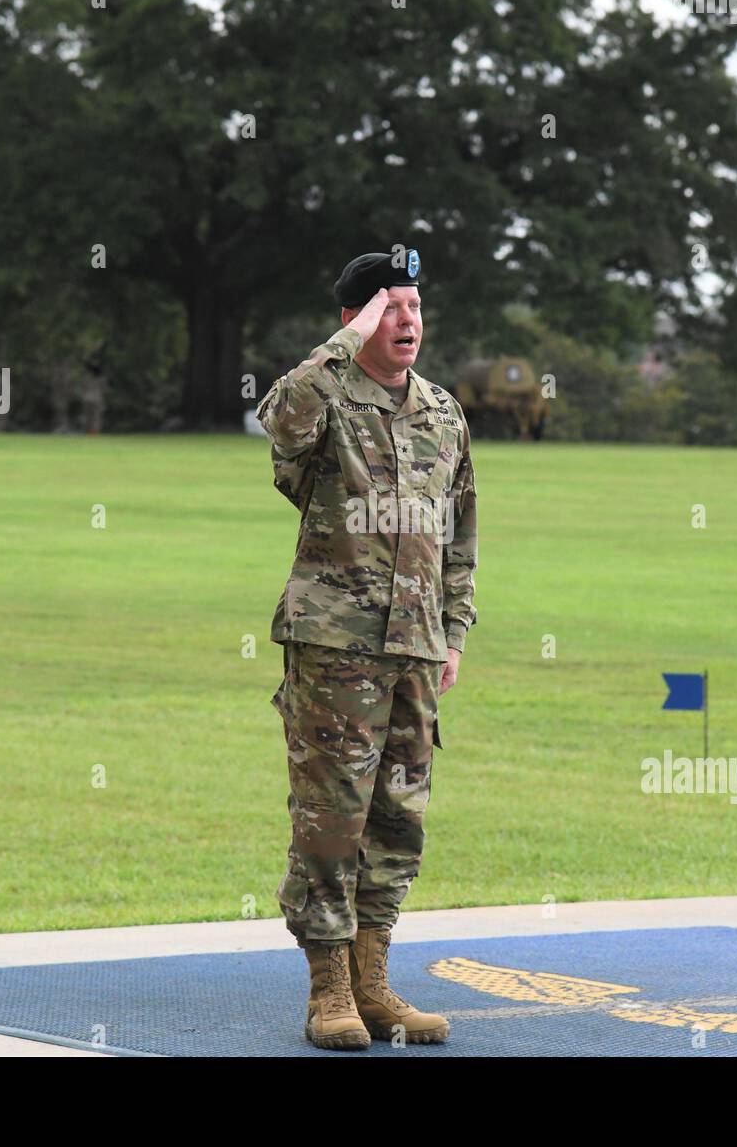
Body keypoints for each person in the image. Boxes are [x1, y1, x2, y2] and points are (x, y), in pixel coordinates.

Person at [256, 248, 477, 1050]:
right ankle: (329, 994)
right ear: (355, 320)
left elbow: (460, 535)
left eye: (415, 307)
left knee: (396, 822)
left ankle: (375, 983)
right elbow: (278, 419)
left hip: (416, 650)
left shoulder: (443, 413)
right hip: (335, 648)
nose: (409, 321)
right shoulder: (320, 396)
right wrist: (342, 343)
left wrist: (453, 633)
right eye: (391, 308)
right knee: (330, 821)